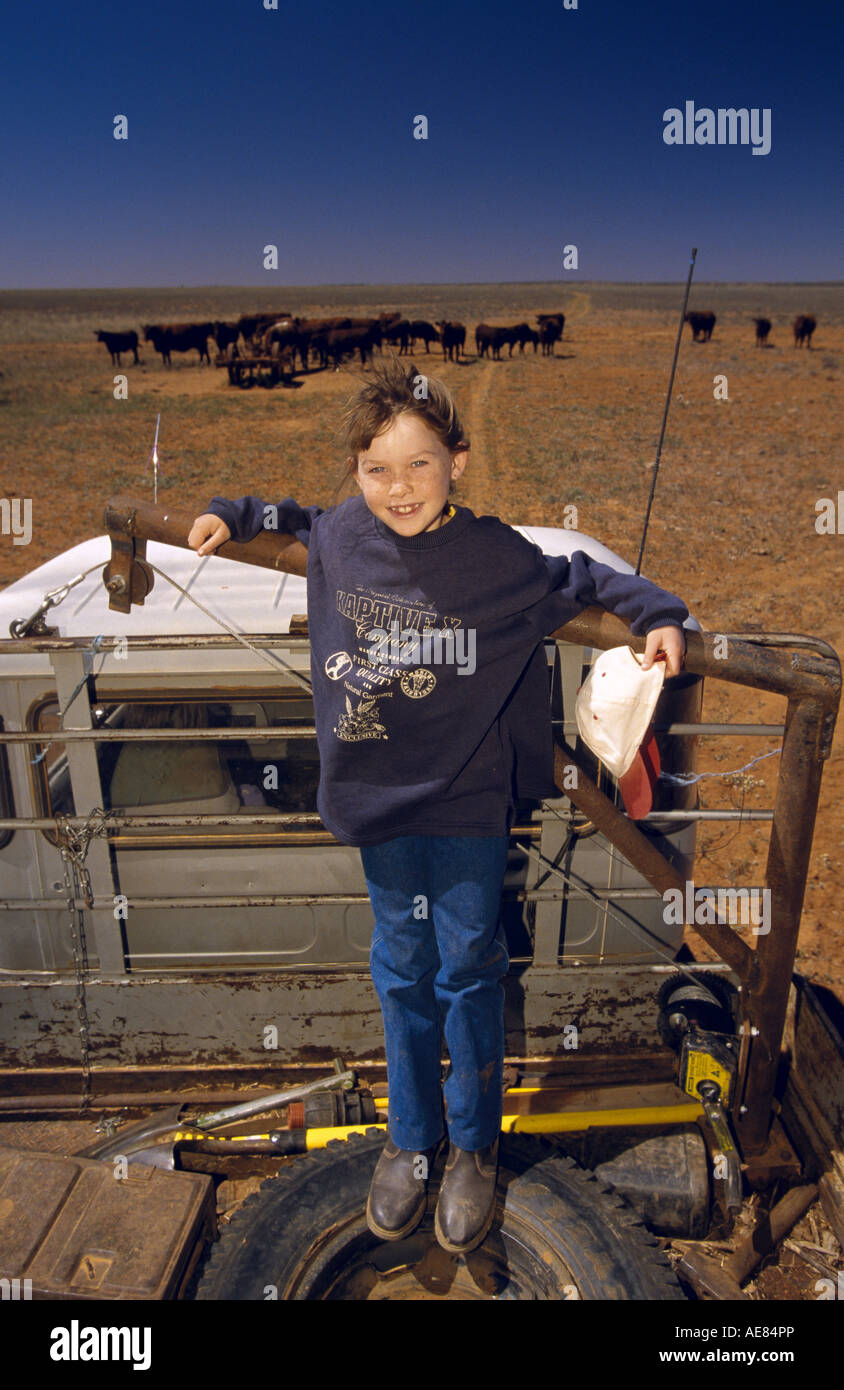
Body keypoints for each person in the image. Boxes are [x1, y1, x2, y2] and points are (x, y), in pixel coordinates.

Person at [187, 358, 688, 1254]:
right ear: (355, 473)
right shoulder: (341, 535)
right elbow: (289, 518)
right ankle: (411, 1144)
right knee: (400, 971)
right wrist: (233, 512)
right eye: (377, 469)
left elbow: (580, 581)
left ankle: (472, 1150)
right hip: (378, 802)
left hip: (464, 802)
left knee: (467, 972)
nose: (398, 487)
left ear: (457, 460)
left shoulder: (494, 557)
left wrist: (657, 611)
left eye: (420, 465)